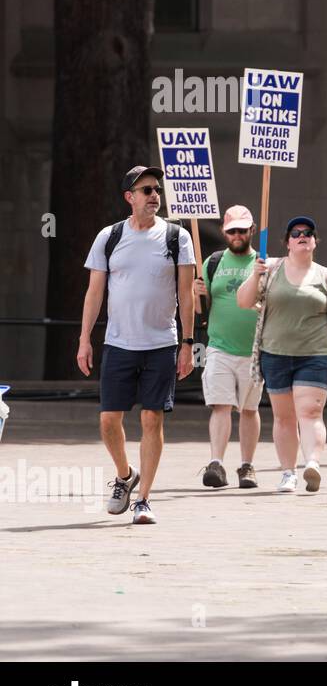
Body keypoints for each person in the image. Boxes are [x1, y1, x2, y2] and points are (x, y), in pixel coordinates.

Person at [78, 166, 196, 525]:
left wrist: (188, 343)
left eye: (157, 189)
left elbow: (187, 295)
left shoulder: (178, 237)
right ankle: (126, 475)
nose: (154, 195)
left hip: (161, 343)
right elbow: (94, 291)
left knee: (151, 418)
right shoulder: (109, 237)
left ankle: (144, 499)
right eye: (145, 190)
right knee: (109, 420)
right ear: (129, 197)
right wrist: (84, 338)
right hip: (118, 343)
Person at [238, 216, 327, 494]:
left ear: (314, 242)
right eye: (296, 233)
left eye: (308, 233)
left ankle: (312, 463)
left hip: (315, 355)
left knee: (310, 412)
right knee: (284, 417)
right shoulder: (270, 269)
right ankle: (288, 473)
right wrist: (254, 274)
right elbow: (244, 301)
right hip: (274, 354)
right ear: (287, 242)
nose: (302, 236)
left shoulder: (326, 277)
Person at [193, 205, 263, 489]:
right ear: (224, 231)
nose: (237, 235)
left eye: (242, 230)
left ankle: (246, 466)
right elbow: (199, 306)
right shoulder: (212, 262)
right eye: (232, 230)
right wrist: (196, 292)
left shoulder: (263, 262)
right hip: (219, 347)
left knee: (248, 409)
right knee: (220, 405)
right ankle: (216, 464)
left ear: (252, 230)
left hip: (254, 349)